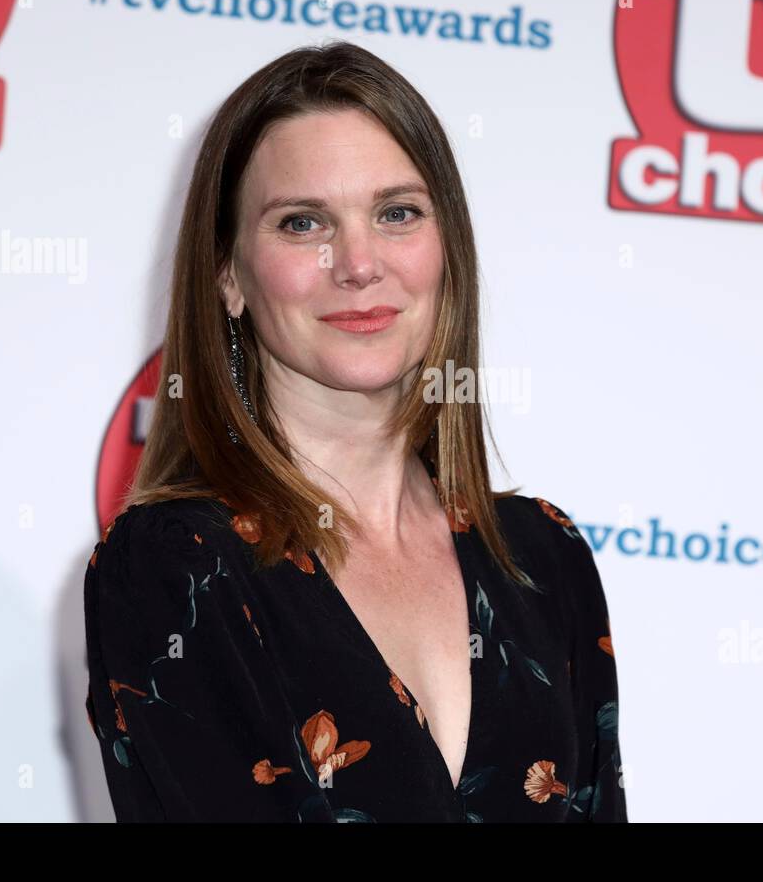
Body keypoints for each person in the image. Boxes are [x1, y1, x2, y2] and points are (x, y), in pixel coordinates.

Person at [82, 40, 626, 822]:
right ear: (229, 274)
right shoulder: (177, 565)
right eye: (303, 223)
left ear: (447, 248)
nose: (359, 264)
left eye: (396, 213)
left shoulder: (544, 556)